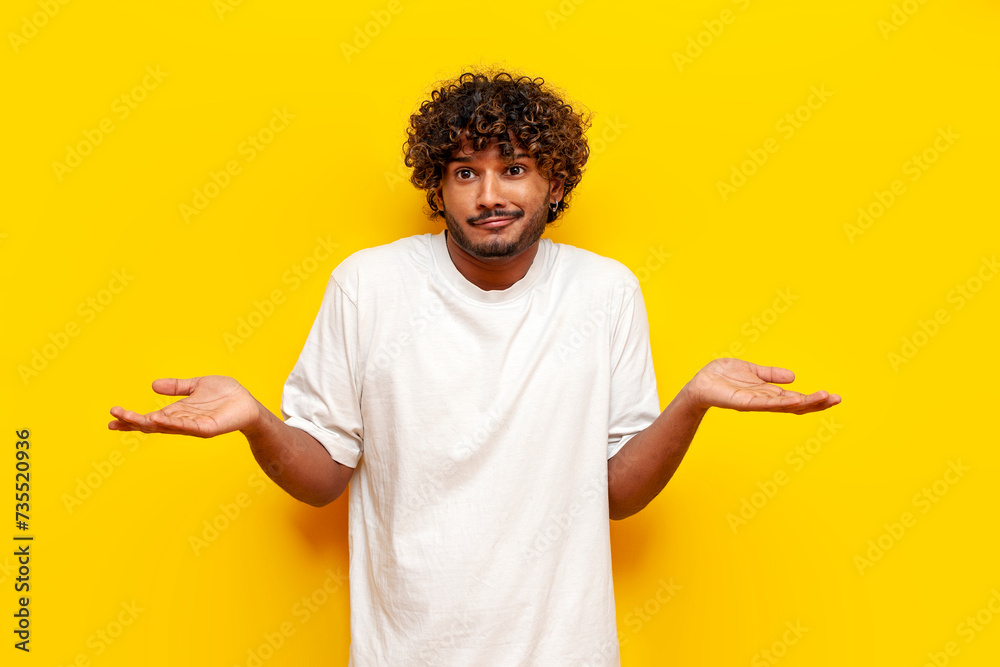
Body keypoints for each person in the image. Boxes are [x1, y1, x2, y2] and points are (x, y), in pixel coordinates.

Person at [108, 69, 841, 666]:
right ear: (438, 188)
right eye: (466, 172)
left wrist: (692, 402)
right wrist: (256, 421)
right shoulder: (369, 285)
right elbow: (325, 475)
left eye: (514, 169)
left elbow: (616, 492)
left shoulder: (604, 292)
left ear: (555, 184)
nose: (490, 195)